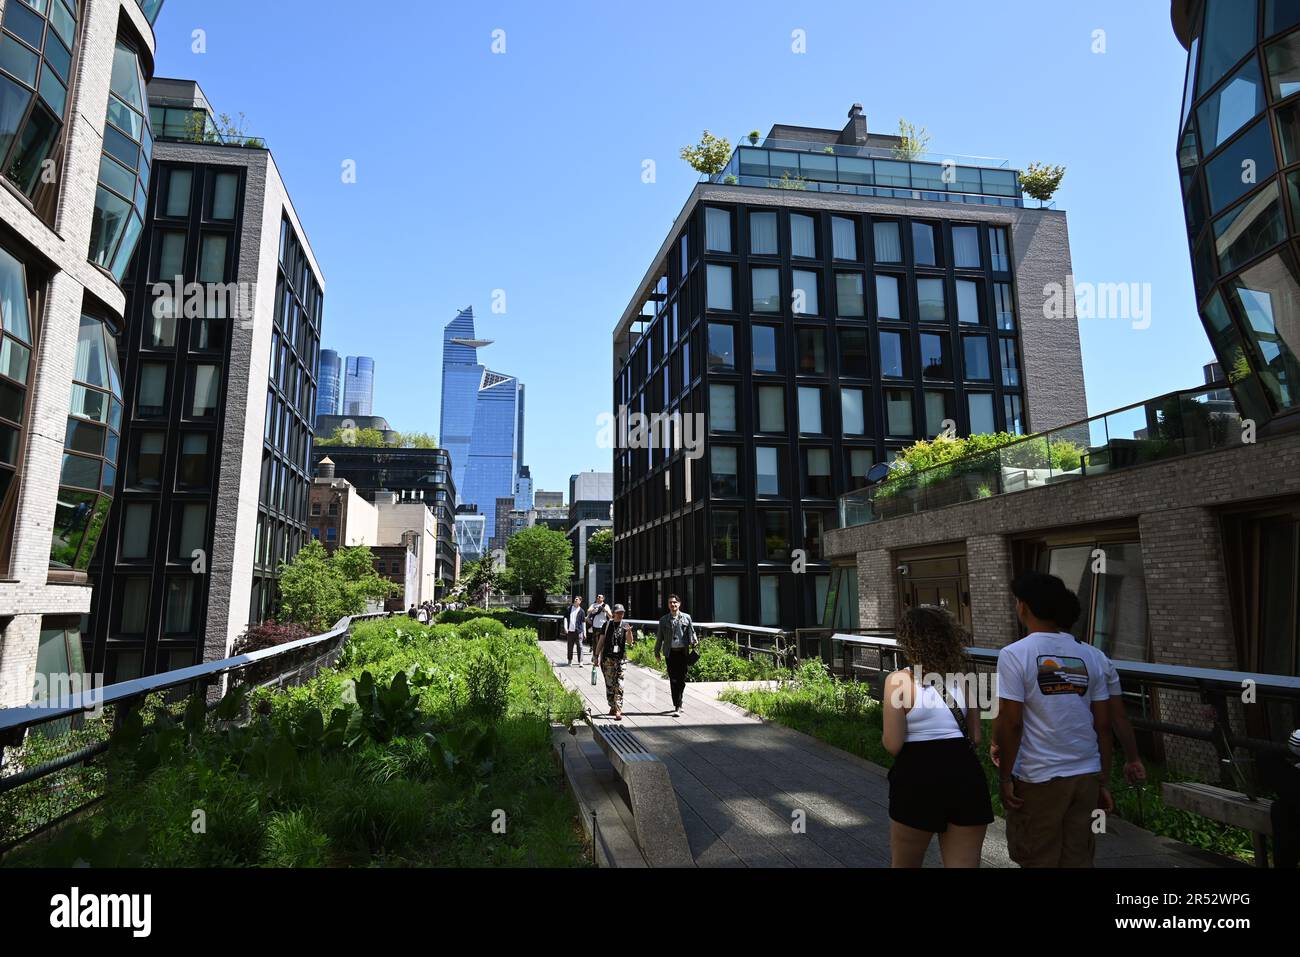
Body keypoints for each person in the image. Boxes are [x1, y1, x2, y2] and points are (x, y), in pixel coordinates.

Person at [993, 571, 1112, 868]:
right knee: (1078, 858)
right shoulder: (1093, 656)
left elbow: (1011, 721)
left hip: (1039, 776)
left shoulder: (1015, 654)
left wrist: (1005, 777)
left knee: (1037, 857)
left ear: (1024, 607)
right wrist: (1104, 780)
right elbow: (1103, 724)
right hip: (1086, 775)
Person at [882, 606, 993, 868]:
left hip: (917, 778)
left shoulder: (898, 681)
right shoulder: (964, 680)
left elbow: (893, 743)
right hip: (965, 776)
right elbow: (976, 737)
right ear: (949, 639)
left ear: (908, 642)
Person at [654, 594, 697, 716]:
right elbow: (659, 638)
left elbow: (691, 632)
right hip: (670, 653)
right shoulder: (663, 620)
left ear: (679, 604)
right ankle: (677, 706)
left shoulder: (687, 618)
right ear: (668, 605)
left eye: (675, 603)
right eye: (670, 603)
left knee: (682, 680)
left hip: (683, 653)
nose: (673, 605)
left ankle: (680, 701)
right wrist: (656, 652)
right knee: (673, 679)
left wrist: (694, 640)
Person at [594, 604, 634, 720]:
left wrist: (629, 632)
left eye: (622, 612)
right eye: (618, 612)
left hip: (621, 659)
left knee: (619, 684)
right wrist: (596, 656)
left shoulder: (625, 626)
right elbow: (601, 641)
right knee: (610, 684)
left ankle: (618, 709)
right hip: (608, 659)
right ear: (613, 613)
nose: (621, 614)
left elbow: (630, 642)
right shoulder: (607, 625)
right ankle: (612, 705)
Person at [563, 596, 586, 666]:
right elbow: (565, 618)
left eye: (577, 599)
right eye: (575, 599)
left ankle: (580, 661)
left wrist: (585, 632)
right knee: (570, 646)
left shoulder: (582, 611)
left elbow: (583, 622)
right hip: (570, 631)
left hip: (579, 631)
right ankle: (570, 660)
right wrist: (565, 627)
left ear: (580, 601)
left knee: (580, 646)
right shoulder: (569, 609)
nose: (575, 600)